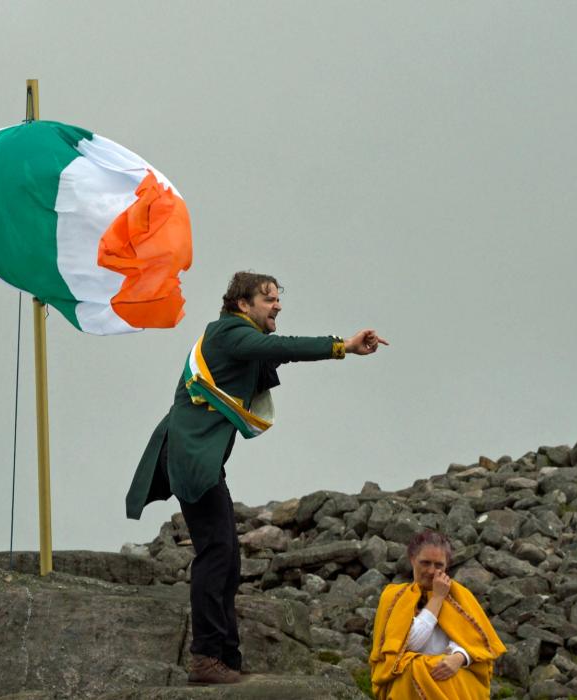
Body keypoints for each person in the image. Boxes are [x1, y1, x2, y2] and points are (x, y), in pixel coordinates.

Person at [126, 271, 388, 684]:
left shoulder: (240, 339)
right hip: (192, 459)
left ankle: (225, 658)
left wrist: (337, 349)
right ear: (242, 305)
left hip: (202, 460)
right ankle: (205, 658)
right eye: (268, 298)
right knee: (216, 555)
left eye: (277, 298)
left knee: (228, 558)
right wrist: (343, 346)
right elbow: (282, 347)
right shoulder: (230, 333)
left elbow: (276, 353)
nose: (278, 304)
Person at [369, 530, 507, 699]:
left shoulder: (460, 596)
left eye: (438, 565)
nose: (431, 571)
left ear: (446, 565)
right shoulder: (394, 597)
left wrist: (459, 657)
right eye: (425, 563)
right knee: (412, 669)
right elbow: (408, 643)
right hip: (409, 686)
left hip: (453, 682)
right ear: (412, 560)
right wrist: (437, 598)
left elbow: (475, 643)